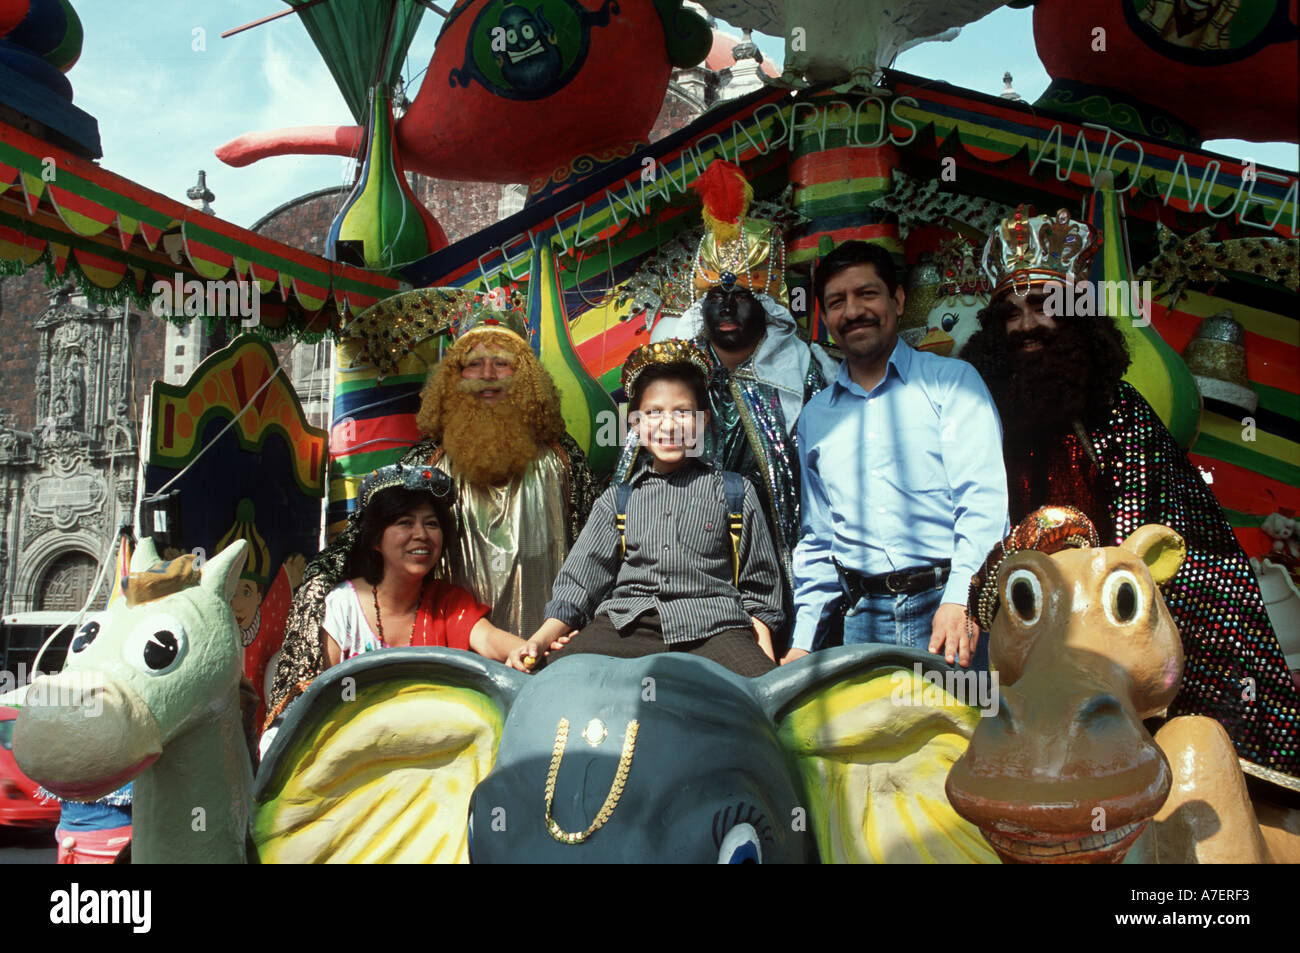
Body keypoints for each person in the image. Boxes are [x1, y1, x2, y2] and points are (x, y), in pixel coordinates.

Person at [961, 204, 1300, 778]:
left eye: (1042, 306)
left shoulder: (1117, 407)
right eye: (1010, 314)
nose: (1025, 326)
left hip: (1111, 605)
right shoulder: (979, 408)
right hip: (1008, 611)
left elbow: (1141, 527)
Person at [784, 241, 1009, 669]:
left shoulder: (952, 383)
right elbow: (819, 537)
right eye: (837, 301)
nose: (853, 311)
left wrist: (961, 597)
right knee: (871, 719)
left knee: (968, 714)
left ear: (899, 300)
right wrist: (804, 642)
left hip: (949, 609)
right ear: (825, 318)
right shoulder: (815, 416)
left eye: (867, 293)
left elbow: (983, 502)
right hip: (862, 621)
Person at [643, 159, 838, 654]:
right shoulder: (675, 375)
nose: (726, 307)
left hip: (777, 563)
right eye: (715, 296)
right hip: (687, 561)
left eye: (741, 295)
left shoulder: (806, 373)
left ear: (768, 307)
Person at [515, 341, 783, 678]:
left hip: (716, 627)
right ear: (635, 423)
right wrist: (539, 641)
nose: (668, 426)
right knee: (551, 681)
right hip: (625, 626)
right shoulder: (617, 501)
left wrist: (764, 669)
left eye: (682, 412)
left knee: (764, 699)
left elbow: (759, 589)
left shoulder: (734, 493)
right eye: (654, 413)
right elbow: (578, 586)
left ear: (703, 421)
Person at [268, 464, 533, 717]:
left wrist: (530, 649)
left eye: (431, 524)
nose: (421, 534)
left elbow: (488, 639)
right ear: (376, 539)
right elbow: (327, 694)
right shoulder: (343, 605)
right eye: (405, 522)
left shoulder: (448, 604)